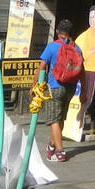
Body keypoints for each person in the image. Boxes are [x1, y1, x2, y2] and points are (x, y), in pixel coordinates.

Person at [38, 20, 83, 163]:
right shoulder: (77, 49)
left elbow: (42, 67)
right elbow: (83, 72)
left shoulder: (52, 47)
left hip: (54, 87)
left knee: (53, 120)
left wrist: (35, 86)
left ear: (57, 31)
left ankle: (60, 152)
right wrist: (85, 91)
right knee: (60, 118)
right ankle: (52, 146)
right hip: (70, 88)